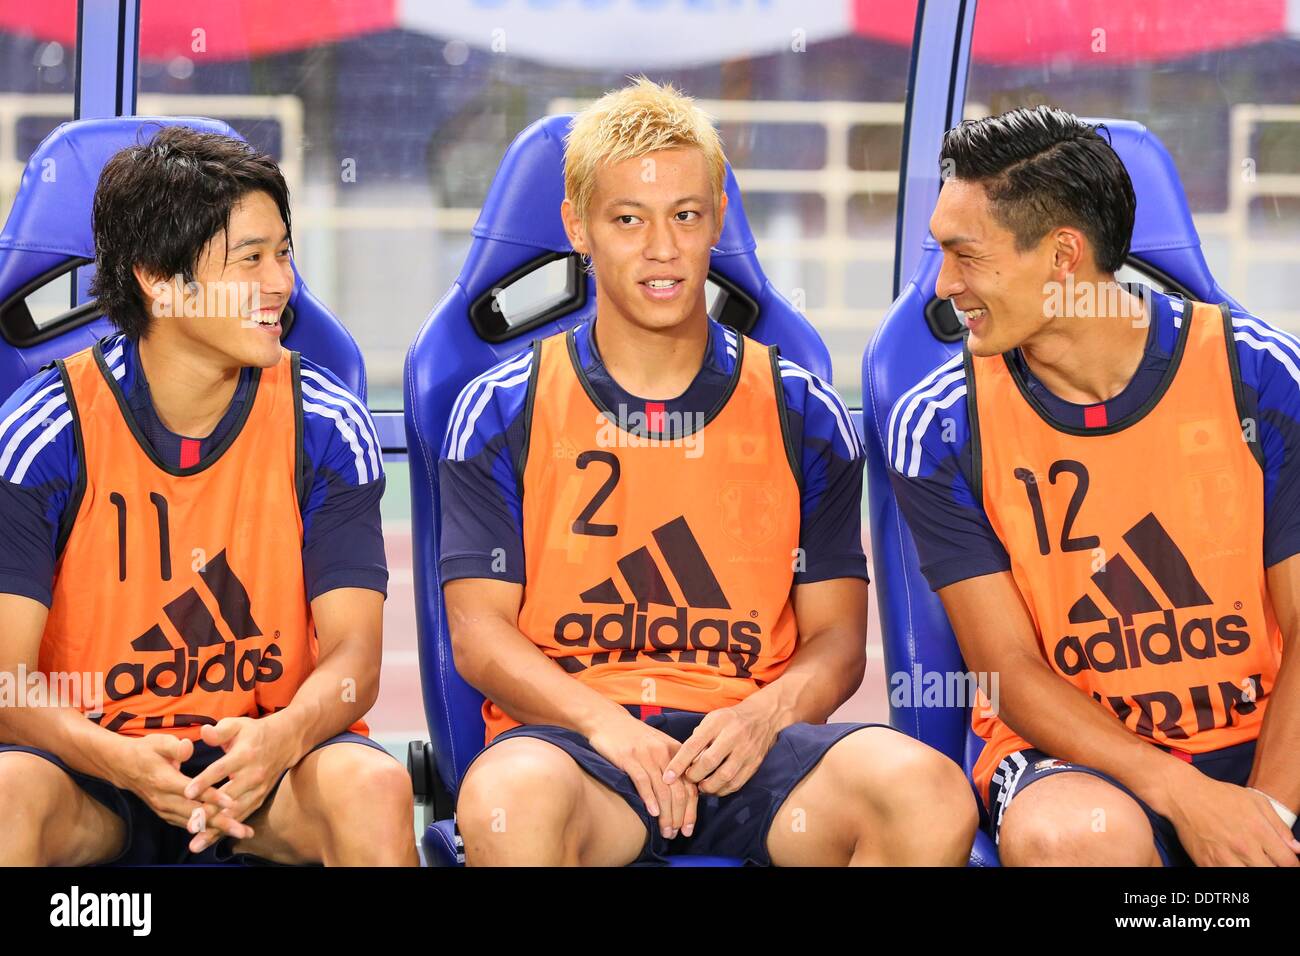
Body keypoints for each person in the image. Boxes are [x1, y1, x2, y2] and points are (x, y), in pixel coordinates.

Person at [439, 77, 977, 866]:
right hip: (578, 750)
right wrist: (606, 726)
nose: (662, 248)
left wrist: (765, 716)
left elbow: (836, 642)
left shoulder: (803, 412)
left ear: (717, 219)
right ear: (578, 227)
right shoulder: (501, 408)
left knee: (928, 792)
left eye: (686, 216)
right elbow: (479, 637)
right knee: (507, 803)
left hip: (751, 750)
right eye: (628, 219)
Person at [888, 105, 1300, 866]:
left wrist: (1267, 820)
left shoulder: (1263, 377)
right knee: (1071, 839)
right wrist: (1185, 795)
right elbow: (1009, 671)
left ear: (1063, 256)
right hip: (1072, 761)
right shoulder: (940, 426)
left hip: (1267, 736)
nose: (943, 286)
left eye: (964, 255)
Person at [0, 125, 416, 866]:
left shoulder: (325, 423)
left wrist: (281, 738)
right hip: (93, 774)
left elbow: (355, 661)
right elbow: (8, 682)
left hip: (268, 768)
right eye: (250, 259)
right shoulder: (47, 431)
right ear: (158, 280)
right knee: (6, 797)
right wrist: (117, 760)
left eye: (284, 253)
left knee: (374, 787)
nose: (281, 284)